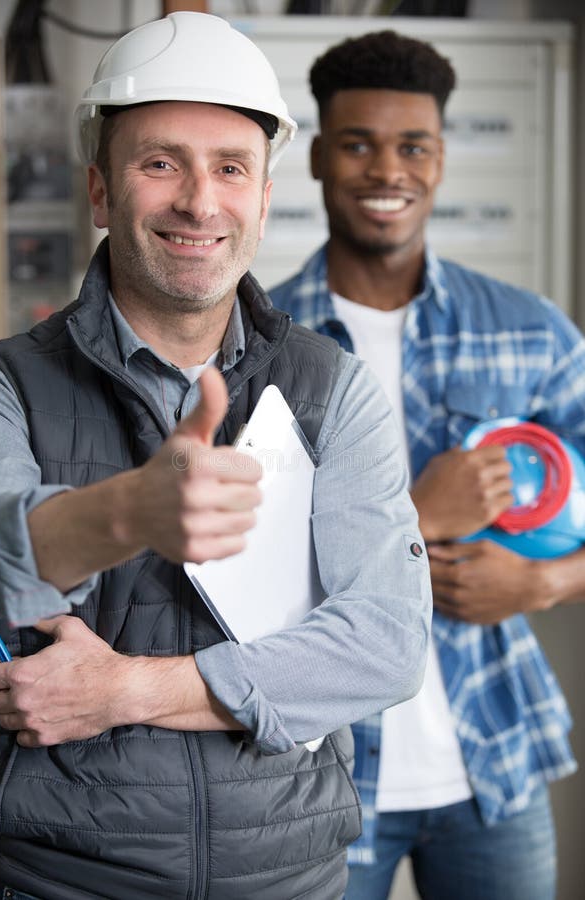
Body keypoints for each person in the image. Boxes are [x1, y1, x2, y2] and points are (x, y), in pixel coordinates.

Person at [0, 13, 431, 900]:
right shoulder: (6, 386)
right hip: (61, 881)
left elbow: (384, 644)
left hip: (291, 877)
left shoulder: (330, 388)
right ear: (102, 193)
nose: (199, 200)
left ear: (264, 196)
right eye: (160, 163)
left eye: (231, 168)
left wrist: (125, 691)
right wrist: (128, 514)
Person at [270, 28, 585, 900]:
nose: (386, 171)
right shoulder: (257, 347)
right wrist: (419, 515)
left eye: (412, 146)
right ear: (320, 158)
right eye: (359, 144)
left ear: (440, 158)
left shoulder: (528, 328)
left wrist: (543, 585)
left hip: (492, 764)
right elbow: (228, 573)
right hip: (321, 776)